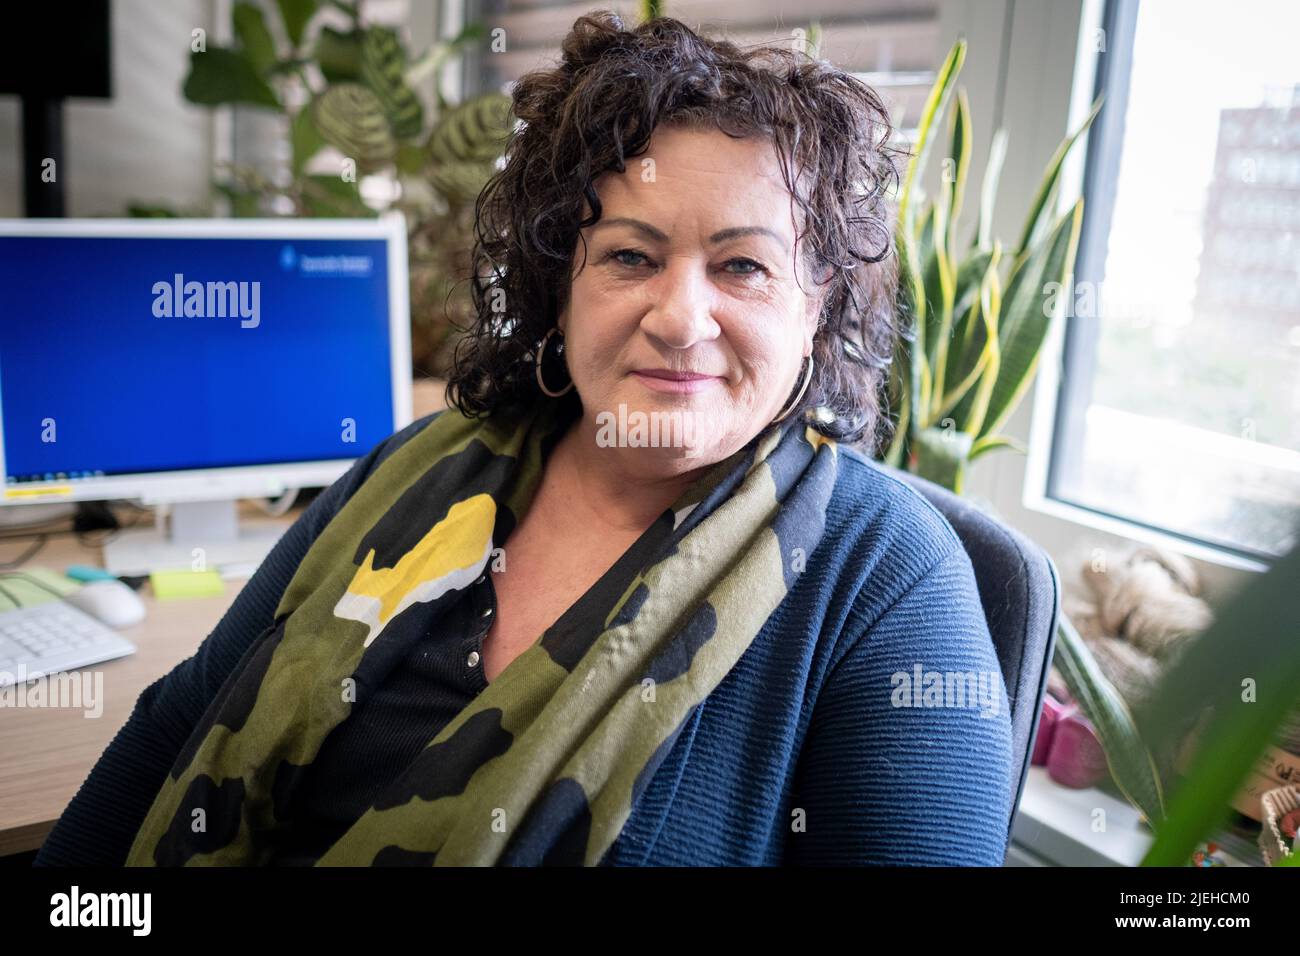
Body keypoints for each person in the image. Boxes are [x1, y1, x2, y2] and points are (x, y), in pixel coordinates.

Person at [34, 10, 1013, 867]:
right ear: (559, 283)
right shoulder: (414, 466)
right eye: (630, 254)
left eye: (743, 266)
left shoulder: (886, 575)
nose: (679, 317)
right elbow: (180, 720)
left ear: (819, 305)